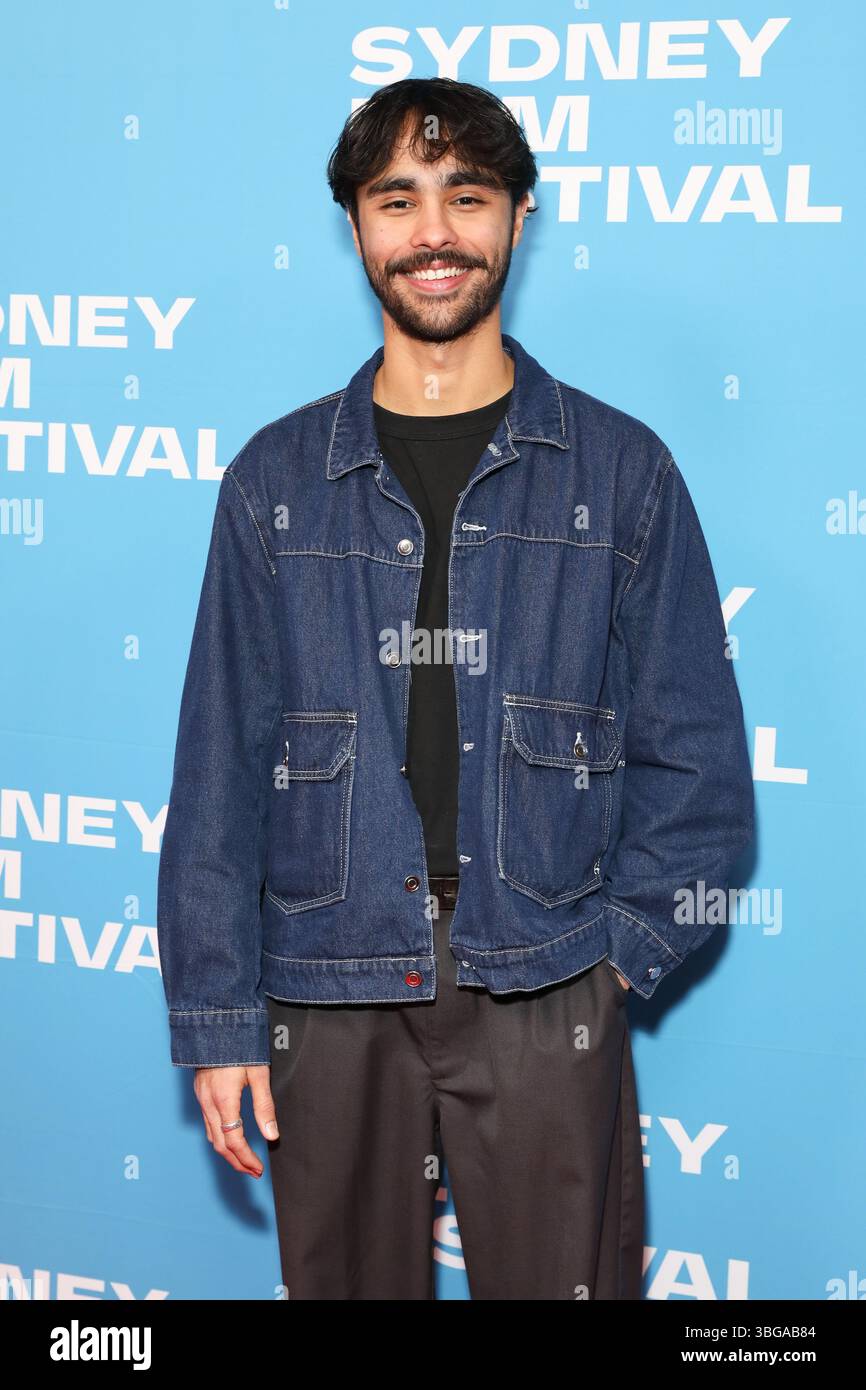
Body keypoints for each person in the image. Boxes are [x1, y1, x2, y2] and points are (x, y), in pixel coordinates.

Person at [156, 77, 754, 1300]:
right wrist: (218, 1018)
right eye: (398, 199)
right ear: (358, 225)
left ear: (517, 217)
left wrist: (611, 960)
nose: (433, 233)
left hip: (545, 978)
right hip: (324, 983)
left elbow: (698, 768)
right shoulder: (273, 480)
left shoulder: (622, 472)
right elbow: (219, 766)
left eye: (465, 195)